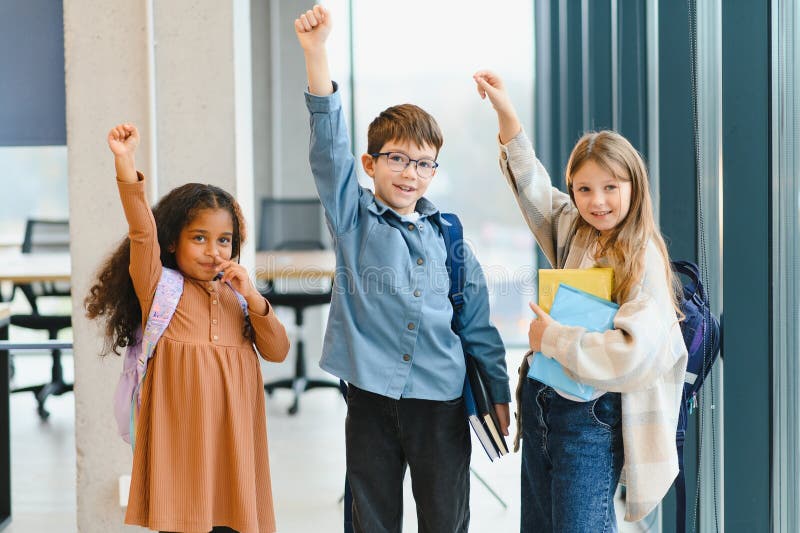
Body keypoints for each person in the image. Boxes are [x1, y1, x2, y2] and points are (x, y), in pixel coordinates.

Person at [294, 7, 511, 533]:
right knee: (372, 520)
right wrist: (316, 53)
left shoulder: (450, 235)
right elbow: (329, 150)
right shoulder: (353, 219)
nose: (410, 173)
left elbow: (476, 322)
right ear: (371, 165)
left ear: (434, 170)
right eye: (397, 159)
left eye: (423, 163)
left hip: (440, 399)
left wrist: (498, 391)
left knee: (445, 520)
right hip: (369, 398)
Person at [473, 70, 688, 530]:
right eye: (584, 188)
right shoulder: (575, 227)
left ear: (634, 186)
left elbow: (633, 354)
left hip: (590, 420)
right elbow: (532, 186)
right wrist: (506, 112)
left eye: (611, 187)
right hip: (545, 403)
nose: (598, 201)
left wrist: (553, 339)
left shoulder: (642, 257)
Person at [85, 123, 291, 533]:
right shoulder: (160, 288)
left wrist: (252, 296)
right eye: (199, 238)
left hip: (233, 449)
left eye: (224, 241)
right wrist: (125, 164)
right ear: (173, 242)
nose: (213, 252)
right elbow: (142, 232)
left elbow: (278, 350)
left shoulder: (237, 299)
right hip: (181, 453)